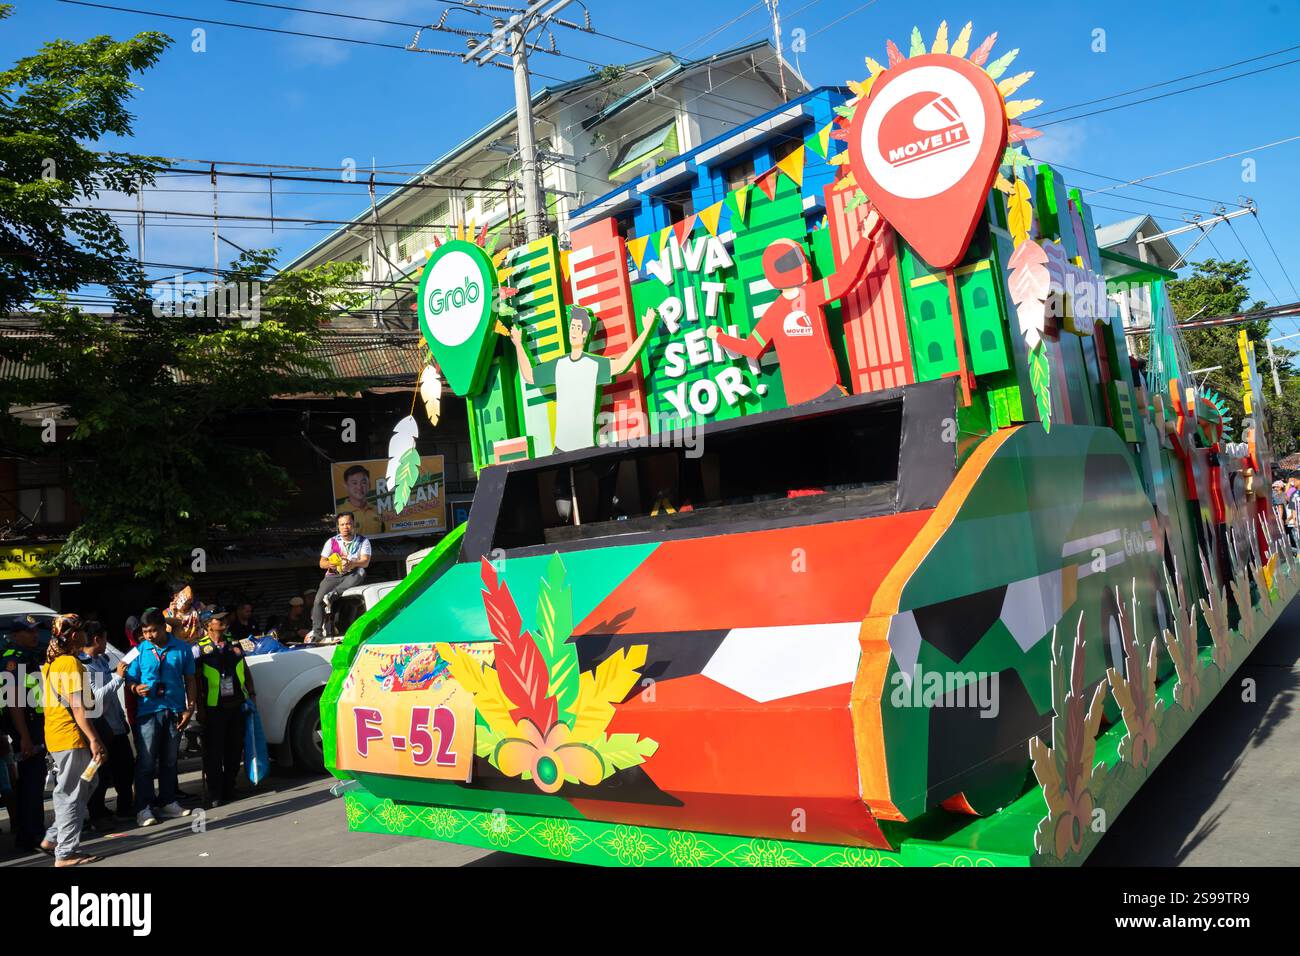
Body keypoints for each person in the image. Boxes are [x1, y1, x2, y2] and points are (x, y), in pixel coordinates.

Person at [707, 209, 884, 406]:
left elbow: (751, 348)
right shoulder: (799, 300)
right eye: (793, 260)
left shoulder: (793, 302)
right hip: (814, 397)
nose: (803, 264)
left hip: (814, 396)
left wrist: (719, 336)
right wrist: (866, 235)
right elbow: (846, 279)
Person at [511, 305, 660, 453]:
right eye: (572, 326)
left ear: (585, 334)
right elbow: (530, 376)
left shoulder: (594, 364)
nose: (573, 331)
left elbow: (622, 365)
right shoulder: (559, 365)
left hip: (584, 450)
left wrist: (647, 330)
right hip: (560, 450)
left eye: (578, 327)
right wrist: (519, 344)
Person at [38, 614, 105, 866]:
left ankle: (55, 837)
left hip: (60, 736)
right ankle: (65, 853)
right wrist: (94, 739)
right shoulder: (68, 663)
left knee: (89, 782)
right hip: (71, 737)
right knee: (72, 793)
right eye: (83, 631)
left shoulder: (54, 663)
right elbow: (78, 707)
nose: (87, 635)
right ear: (74, 635)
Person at [124, 607, 196, 827]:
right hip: (148, 713)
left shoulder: (182, 649)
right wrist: (136, 688)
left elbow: (190, 680)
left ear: (163, 628)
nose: (149, 636)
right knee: (146, 762)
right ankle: (144, 809)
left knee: (169, 760)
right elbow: (128, 680)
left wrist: (189, 707)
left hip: (175, 711)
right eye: (145, 632)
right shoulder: (138, 651)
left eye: (153, 631)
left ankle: (168, 802)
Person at [194, 611, 256, 807]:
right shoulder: (199, 648)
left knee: (234, 749)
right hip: (213, 708)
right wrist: (199, 708)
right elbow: (194, 680)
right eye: (218, 620)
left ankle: (230, 788)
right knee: (213, 752)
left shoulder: (234, 644)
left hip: (236, 704)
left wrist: (252, 694)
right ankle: (215, 793)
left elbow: (245, 669)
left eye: (225, 619)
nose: (224, 622)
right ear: (208, 625)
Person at [79, 622, 135, 825]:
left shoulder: (101, 660)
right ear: (97, 639)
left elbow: (112, 699)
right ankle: (98, 814)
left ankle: (125, 807)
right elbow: (94, 697)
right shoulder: (84, 666)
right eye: (105, 638)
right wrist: (118, 678)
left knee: (126, 767)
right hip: (99, 727)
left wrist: (122, 717)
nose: (105, 643)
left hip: (115, 724)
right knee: (100, 774)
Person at [1, 614, 47, 852]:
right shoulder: (13, 660)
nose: (35, 634)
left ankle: (29, 833)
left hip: (33, 726)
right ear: (16, 634)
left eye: (36, 630)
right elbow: (14, 701)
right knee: (31, 782)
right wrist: (25, 736)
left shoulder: (28, 656)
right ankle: (32, 835)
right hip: (25, 729)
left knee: (33, 781)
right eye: (29, 631)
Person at [308, 512, 371, 642]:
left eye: (348, 523)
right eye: (342, 524)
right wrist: (330, 563)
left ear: (353, 524)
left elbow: (365, 562)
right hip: (333, 575)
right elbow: (321, 563)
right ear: (338, 526)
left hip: (352, 574)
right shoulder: (332, 542)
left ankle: (334, 594)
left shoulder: (362, 541)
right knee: (318, 600)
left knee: (361, 572)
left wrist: (352, 563)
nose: (345, 527)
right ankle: (317, 633)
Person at [339, 464, 384, 536]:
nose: (359, 487)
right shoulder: (340, 512)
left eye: (363, 482)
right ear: (346, 486)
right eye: (354, 483)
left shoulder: (377, 510)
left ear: (369, 485)